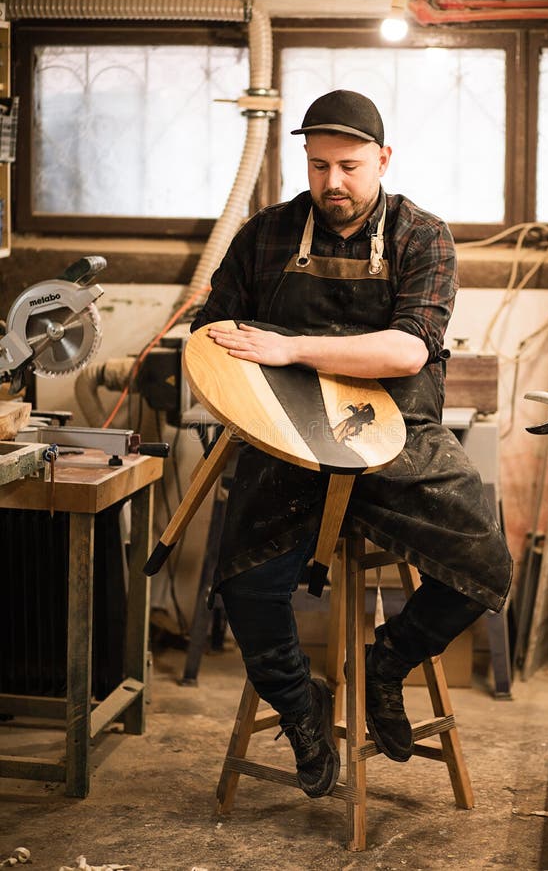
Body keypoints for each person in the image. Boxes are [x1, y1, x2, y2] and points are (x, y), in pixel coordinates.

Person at [191, 89, 512, 799]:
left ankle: (388, 664)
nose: (331, 182)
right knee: (244, 578)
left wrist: (290, 346)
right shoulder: (266, 235)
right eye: (317, 166)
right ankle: (301, 711)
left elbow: (405, 353)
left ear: (382, 159)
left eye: (348, 166)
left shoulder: (421, 235)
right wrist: (225, 356)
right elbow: (213, 331)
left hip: (394, 436)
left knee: (487, 559)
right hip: (288, 439)